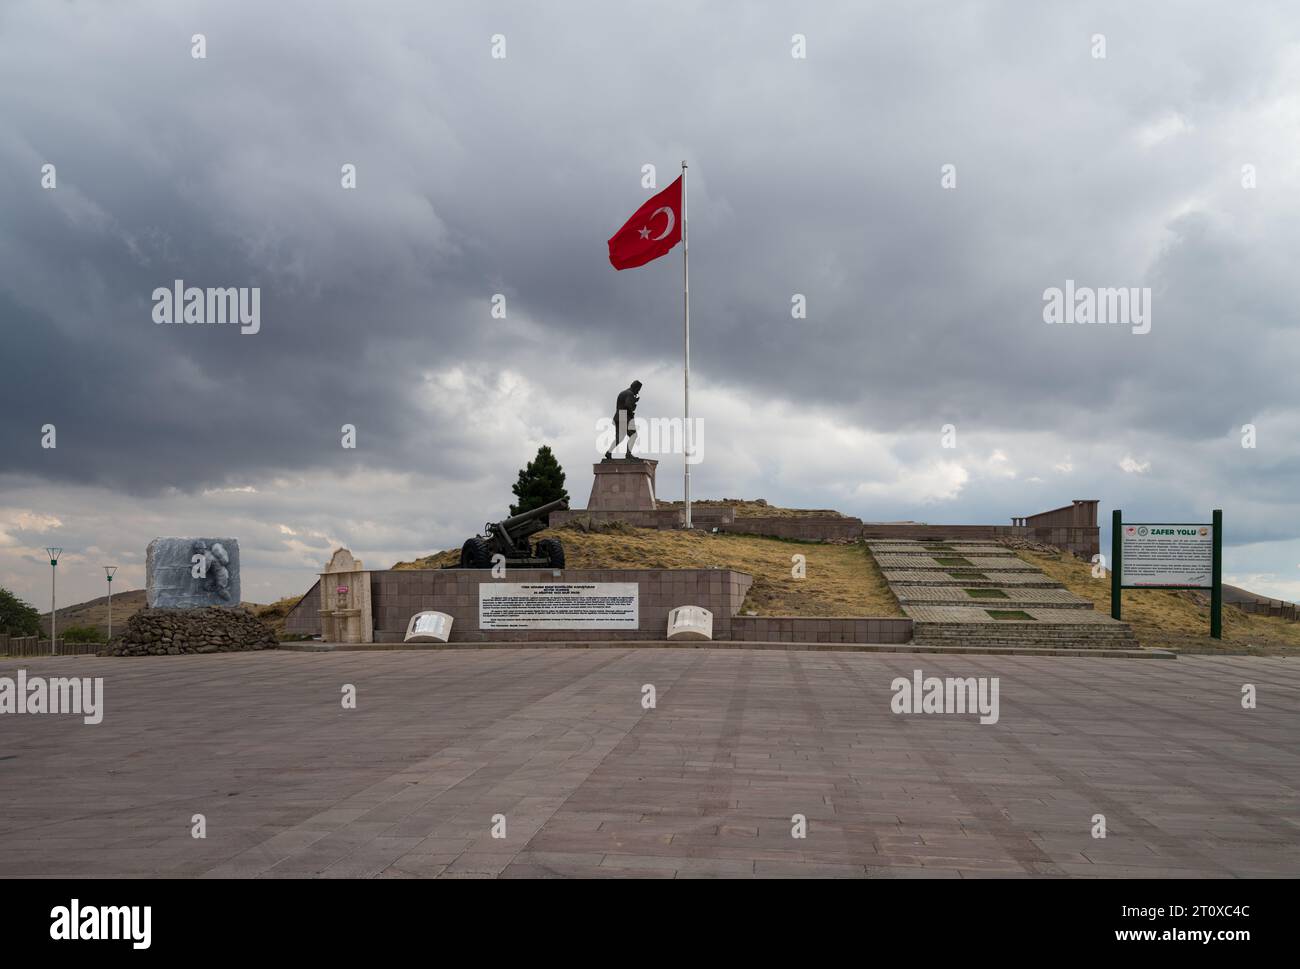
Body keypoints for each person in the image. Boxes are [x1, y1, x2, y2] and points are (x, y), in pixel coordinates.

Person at [604, 380, 642, 459]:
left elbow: (624, 403)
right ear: (635, 388)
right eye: (638, 390)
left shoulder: (624, 393)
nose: (638, 392)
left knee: (620, 437)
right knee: (634, 435)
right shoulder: (630, 394)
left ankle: (609, 452)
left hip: (618, 417)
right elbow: (628, 405)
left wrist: (634, 400)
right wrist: (632, 413)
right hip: (624, 416)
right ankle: (628, 454)